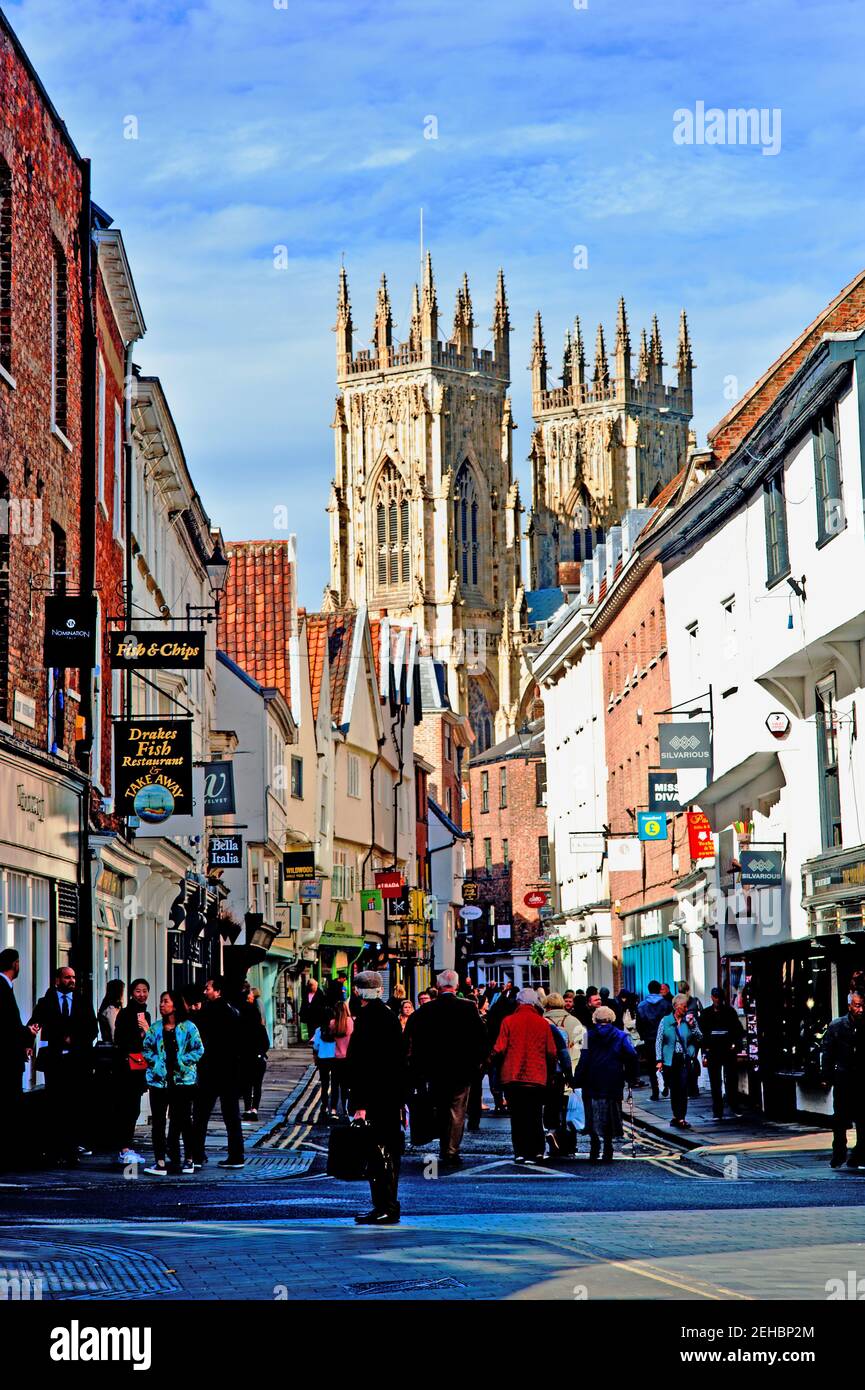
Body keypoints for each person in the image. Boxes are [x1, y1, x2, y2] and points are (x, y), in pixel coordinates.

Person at [404, 969, 488, 1169]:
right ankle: (450, 1150)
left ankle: (444, 1144)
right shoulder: (469, 1008)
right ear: (457, 986)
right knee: (457, 1110)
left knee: (440, 1107)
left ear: (438, 987)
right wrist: (477, 1062)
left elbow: (409, 1039)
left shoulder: (425, 1010)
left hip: (433, 1071)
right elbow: (482, 1038)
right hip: (462, 1070)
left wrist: (415, 1067)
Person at [346, 970, 406, 1224]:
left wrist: (360, 1105)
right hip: (390, 1097)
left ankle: (385, 1207)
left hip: (374, 1100)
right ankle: (386, 1205)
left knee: (378, 1155)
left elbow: (362, 1066)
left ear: (359, 992)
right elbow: (398, 1062)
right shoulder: (389, 1017)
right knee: (388, 1152)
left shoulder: (367, 1020)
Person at [30, 965, 97, 1166]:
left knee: (74, 1105)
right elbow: (35, 1023)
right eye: (67, 977)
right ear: (57, 980)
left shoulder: (83, 1001)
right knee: (55, 1105)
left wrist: (75, 1040)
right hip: (55, 1062)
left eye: (74, 977)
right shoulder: (46, 1001)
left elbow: (92, 1029)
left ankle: (71, 1150)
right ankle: (54, 1150)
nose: (72, 981)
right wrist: (28, 1042)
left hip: (76, 1061)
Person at [492, 987, 558, 1163]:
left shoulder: (508, 1021)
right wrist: (550, 1073)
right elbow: (551, 1052)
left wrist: (489, 1061)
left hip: (513, 1077)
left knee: (518, 1116)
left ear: (519, 1002)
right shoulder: (543, 1023)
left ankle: (520, 1152)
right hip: (536, 1076)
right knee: (535, 1115)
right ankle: (537, 1151)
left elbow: (499, 1048)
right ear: (534, 1003)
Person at [142, 990, 204, 1175]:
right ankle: (160, 1162)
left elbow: (199, 1050)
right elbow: (146, 1049)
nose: (161, 1005)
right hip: (159, 1082)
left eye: (165, 1001)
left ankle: (189, 1160)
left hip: (183, 1082)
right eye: (161, 1002)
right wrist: (157, 1064)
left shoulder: (189, 1027)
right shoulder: (155, 1028)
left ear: (175, 1005)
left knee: (184, 1121)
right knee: (158, 1123)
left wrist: (182, 1061)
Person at [191, 976, 245, 1170]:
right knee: (231, 1116)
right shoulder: (232, 1011)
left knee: (201, 1115)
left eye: (208, 988)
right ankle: (236, 1155)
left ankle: (197, 1155)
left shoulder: (210, 1011)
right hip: (230, 1071)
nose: (205, 992)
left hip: (211, 1071)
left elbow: (199, 1035)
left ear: (218, 991)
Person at [575, 1005, 639, 1162]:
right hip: (613, 1080)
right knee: (611, 1113)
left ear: (595, 1019)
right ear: (611, 1019)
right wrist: (631, 1076)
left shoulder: (588, 1036)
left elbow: (583, 1059)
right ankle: (608, 1146)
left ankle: (594, 1145)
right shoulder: (621, 1036)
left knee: (592, 1112)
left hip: (592, 1080)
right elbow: (632, 1056)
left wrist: (577, 1079)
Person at [0, 949, 39, 1171]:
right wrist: (27, 1034)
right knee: (8, 1105)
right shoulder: (3, 989)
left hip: (9, 1058)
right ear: (15, 964)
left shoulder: (6, 988)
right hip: (6, 1062)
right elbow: (6, 1026)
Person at [821, 989, 865, 1169]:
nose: (861, 1009)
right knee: (840, 1119)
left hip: (862, 1079)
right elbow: (827, 1053)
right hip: (844, 1078)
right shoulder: (837, 1026)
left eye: (862, 1005)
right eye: (857, 1006)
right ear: (849, 1006)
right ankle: (839, 1154)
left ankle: (859, 1154)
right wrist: (826, 1076)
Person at [113, 979, 151, 1165]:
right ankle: (124, 1148)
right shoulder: (126, 1014)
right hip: (127, 1069)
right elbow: (121, 1040)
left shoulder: (147, 1015)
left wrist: (146, 1032)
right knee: (126, 1108)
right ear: (131, 993)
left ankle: (127, 1146)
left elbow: (149, 1042)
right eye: (137, 991)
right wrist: (141, 1034)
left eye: (144, 991)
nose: (141, 995)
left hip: (140, 1068)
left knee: (134, 1108)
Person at [656, 993, 702, 1129]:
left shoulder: (690, 1020)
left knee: (683, 1089)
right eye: (683, 1006)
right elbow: (659, 1041)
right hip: (669, 1060)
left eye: (686, 1006)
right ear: (676, 1007)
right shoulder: (665, 1021)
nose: (686, 1008)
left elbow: (699, 1037)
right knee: (674, 1089)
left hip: (683, 1059)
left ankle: (681, 1117)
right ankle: (676, 1116)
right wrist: (659, 1060)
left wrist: (693, 1025)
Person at [701, 987, 744, 1120]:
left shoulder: (729, 1012)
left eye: (719, 997)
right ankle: (717, 1110)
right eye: (715, 997)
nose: (717, 1000)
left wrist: (735, 1046)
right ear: (712, 997)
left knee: (731, 1079)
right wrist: (704, 1051)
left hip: (727, 1050)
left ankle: (733, 1105)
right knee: (715, 1082)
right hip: (713, 1051)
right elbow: (702, 1034)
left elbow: (738, 1030)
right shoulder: (706, 1013)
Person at [542, 995, 576, 1156]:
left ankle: (551, 1132)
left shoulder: (541, 1021)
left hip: (546, 1071)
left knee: (550, 1106)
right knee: (568, 1109)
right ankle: (568, 1145)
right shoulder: (574, 1022)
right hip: (567, 1070)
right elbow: (584, 1048)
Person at [485, 980, 519, 1113]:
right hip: (510, 1048)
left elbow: (490, 1027)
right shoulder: (513, 1010)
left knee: (496, 1075)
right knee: (508, 1075)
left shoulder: (496, 1008)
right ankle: (508, 1101)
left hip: (496, 1046)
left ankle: (499, 1101)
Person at [636, 981, 672, 1101]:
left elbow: (639, 1024)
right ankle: (665, 1085)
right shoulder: (666, 1004)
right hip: (665, 1038)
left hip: (649, 1039)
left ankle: (655, 1091)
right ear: (659, 990)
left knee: (651, 1066)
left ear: (649, 989)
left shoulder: (641, 1006)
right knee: (665, 1062)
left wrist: (643, 1036)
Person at [239, 983, 270, 1120]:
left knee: (246, 1085)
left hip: (245, 1058)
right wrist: (262, 1053)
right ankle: (254, 1109)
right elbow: (266, 1043)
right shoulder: (259, 1027)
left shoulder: (241, 1025)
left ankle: (247, 1109)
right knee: (257, 1085)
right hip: (258, 1059)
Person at [328, 999, 354, 1118]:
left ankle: (333, 1110)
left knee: (334, 1085)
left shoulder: (332, 1023)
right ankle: (344, 1108)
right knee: (345, 1086)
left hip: (335, 1058)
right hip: (348, 1058)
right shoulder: (350, 1022)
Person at [312, 1006, 337, 1119]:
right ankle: (333, 1108)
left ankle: (324, 1106)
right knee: (335, 1084)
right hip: (334, 1058)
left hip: (322, 1059)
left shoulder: (319, 1030)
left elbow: (316, 1046)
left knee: (325, 1084)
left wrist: (315, 1056)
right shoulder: (336, 1028)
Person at [299, 976, 329, 1041]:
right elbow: (304, 1003)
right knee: (310, 1028)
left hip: (317, 1015)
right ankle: (311, 1040)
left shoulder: (320, 993)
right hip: (308, 1015)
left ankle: (316, 1040)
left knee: (317, 1029)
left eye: (316, 986)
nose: (315, 987)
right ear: (310, 986)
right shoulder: (306, 993)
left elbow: (323, 1005)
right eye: (314, 986)